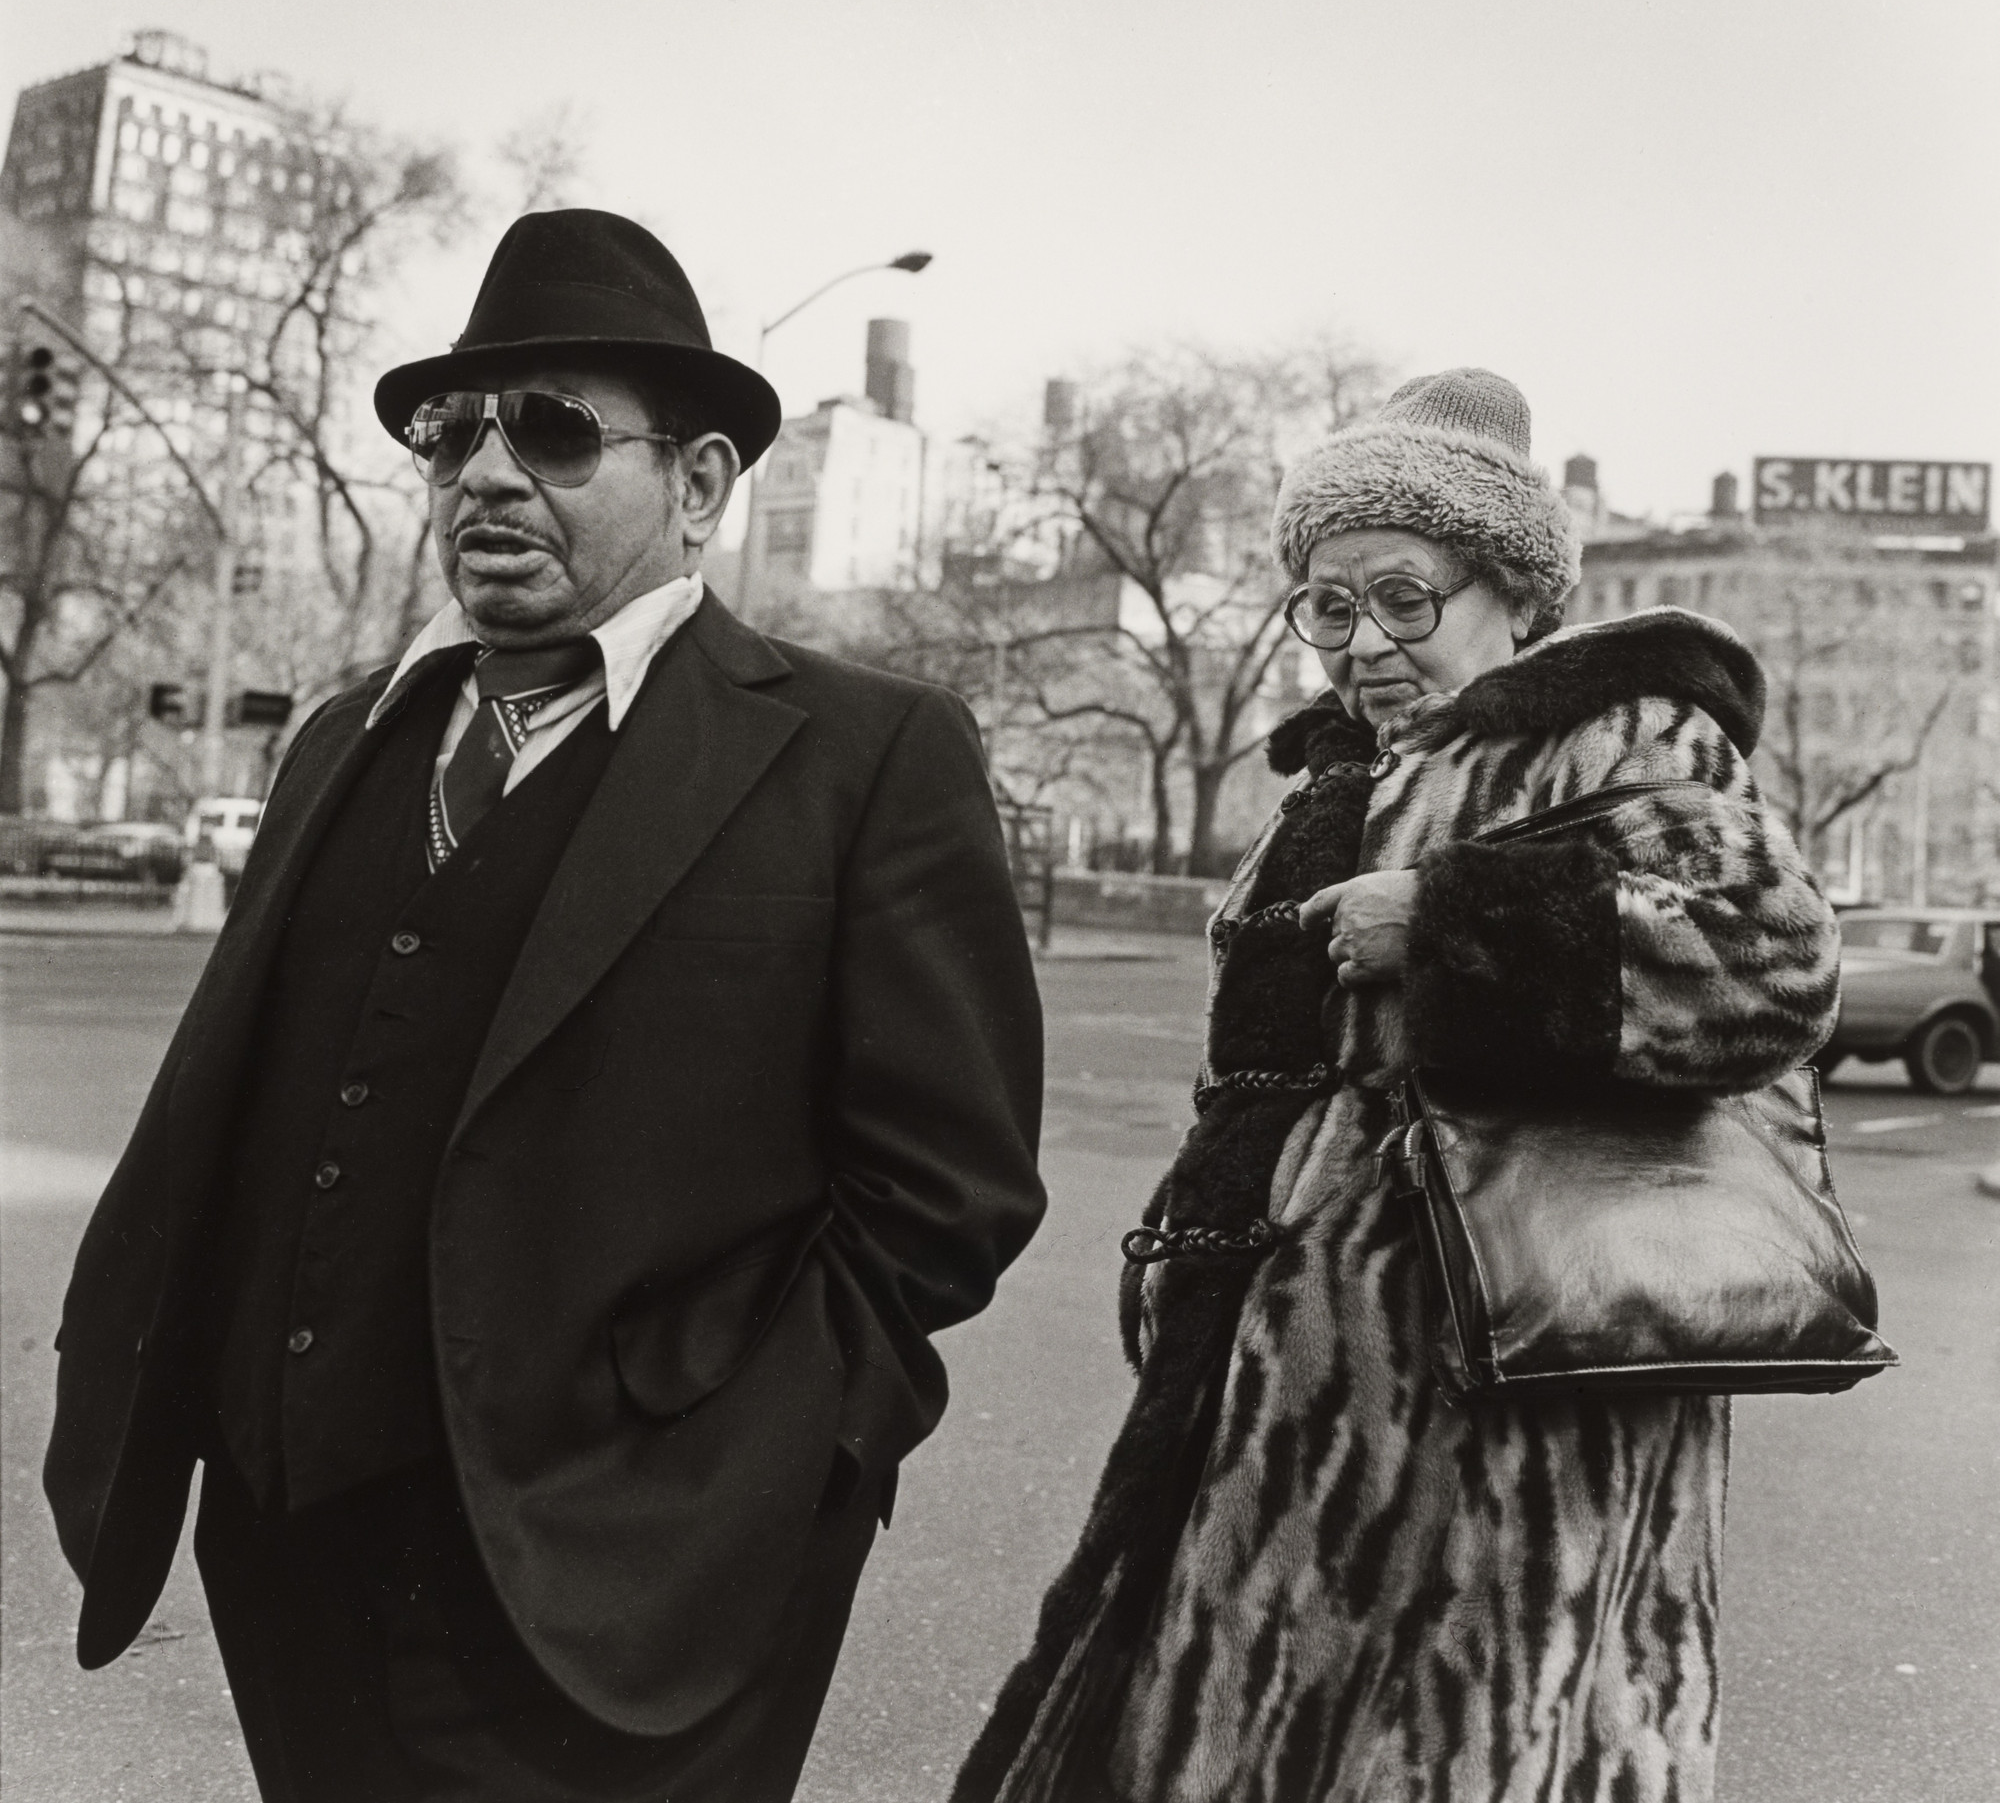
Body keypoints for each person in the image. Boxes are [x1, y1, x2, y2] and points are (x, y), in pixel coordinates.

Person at [45, 209, 1046, 1803]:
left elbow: (948, 1192)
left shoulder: (865, 755)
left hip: (634, 1581)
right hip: (294, 1540)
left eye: (558, 430)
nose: (489, 475)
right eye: (457, 435)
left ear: (703, 485)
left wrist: (759, 1462)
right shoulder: (340, 741)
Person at [956, 368, 1840, 1803]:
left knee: (1452, 1747)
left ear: (1509, 587)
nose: (1360, 641)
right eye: (1326, 603)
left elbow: (1771, 966)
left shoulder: (1622, 733)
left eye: (1402, 597)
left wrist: (1446, 925)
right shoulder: (1340, 775)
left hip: (1515, 1396)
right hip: (1283, 1395)